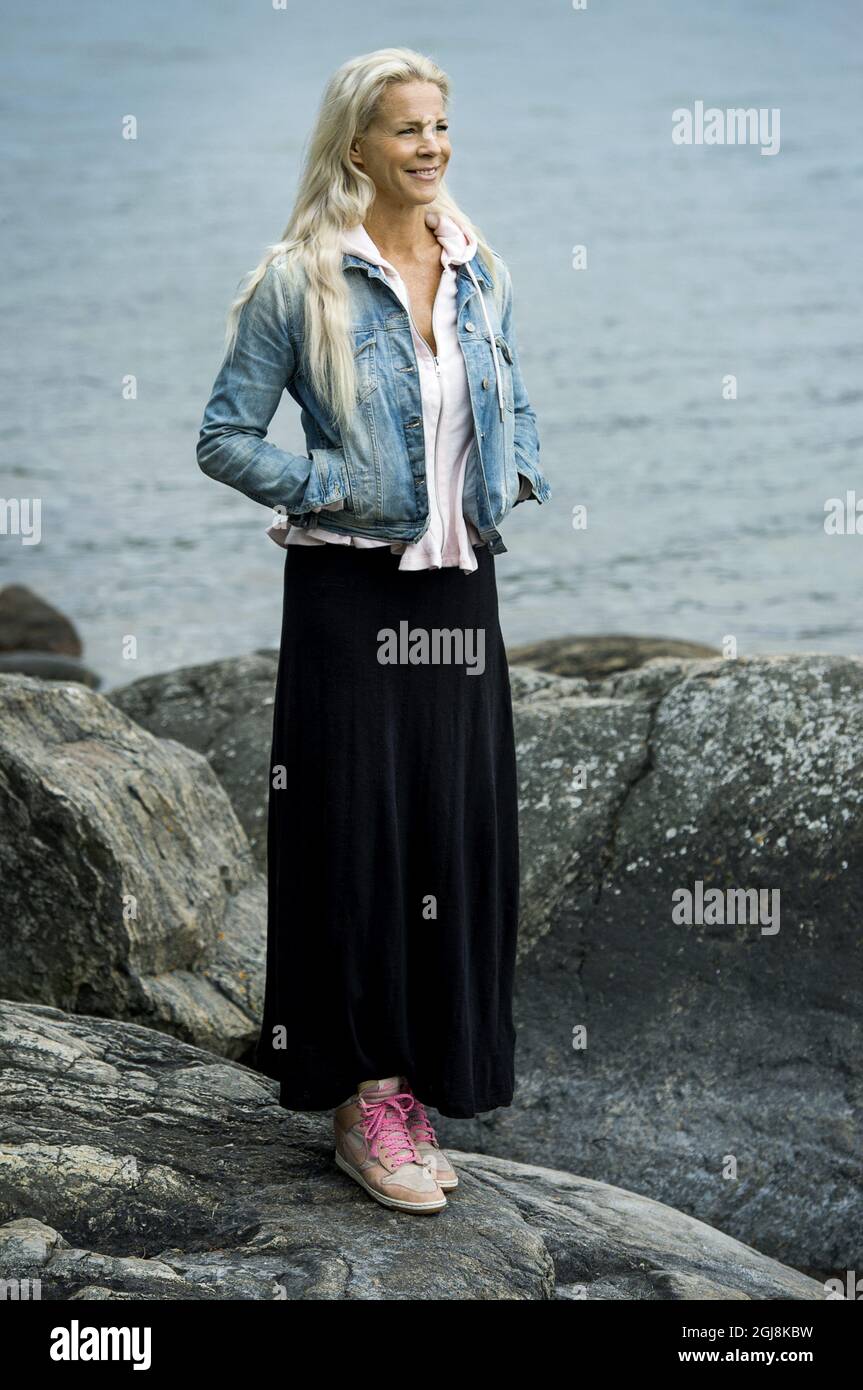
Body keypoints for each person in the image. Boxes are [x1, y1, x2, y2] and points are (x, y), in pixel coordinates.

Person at [197, 46, 552, 1215]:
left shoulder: (475, 266)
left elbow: (512, 398)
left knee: (450, 836)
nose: (431, 146)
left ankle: (424, 1084)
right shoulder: (297, 281)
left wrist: (519, 475)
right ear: (356, 147)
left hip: (458, 587)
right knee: (358, 836)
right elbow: (222, 433)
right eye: (406, 129)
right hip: (351, 590)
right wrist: (327, 487)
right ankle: (363, 1098)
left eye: (440, 125)